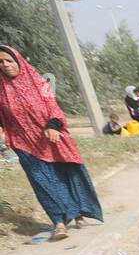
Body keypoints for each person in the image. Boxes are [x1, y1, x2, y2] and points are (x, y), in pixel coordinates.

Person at [0, 45, 103, 242]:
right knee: (42, 182)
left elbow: (53, 107)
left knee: (64, 176)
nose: (5, 65)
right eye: (1, 62)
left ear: (18, 61)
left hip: (50, 139)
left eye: (8, 60)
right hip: (23, 143)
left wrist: (53, 125)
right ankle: (59, 223)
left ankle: (78, 213)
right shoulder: (0, 89)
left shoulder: (38, 83)